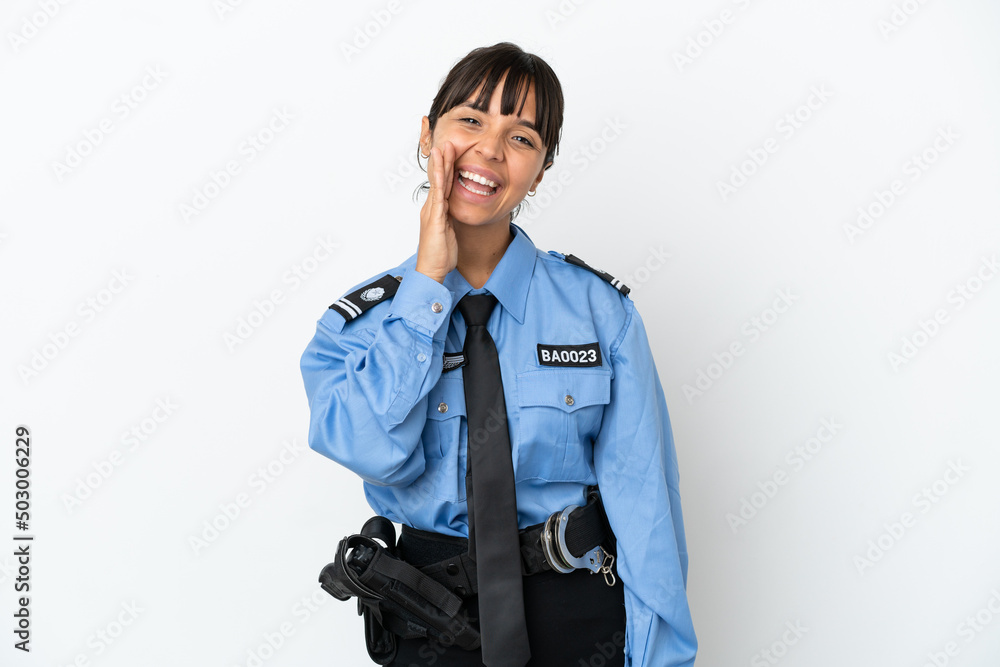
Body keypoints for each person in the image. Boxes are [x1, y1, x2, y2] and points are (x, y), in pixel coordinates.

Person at [300, 42, 696, 666]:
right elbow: (365, 448)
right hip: (431, 624)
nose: (490, 149)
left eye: (522, 137)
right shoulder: (364, 324)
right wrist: (426, 293)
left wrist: (660, 660)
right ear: (429, 135)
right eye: (471, 120)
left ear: (541, 169)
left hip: (580, 621)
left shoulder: (600, 314)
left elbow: (647, 509)